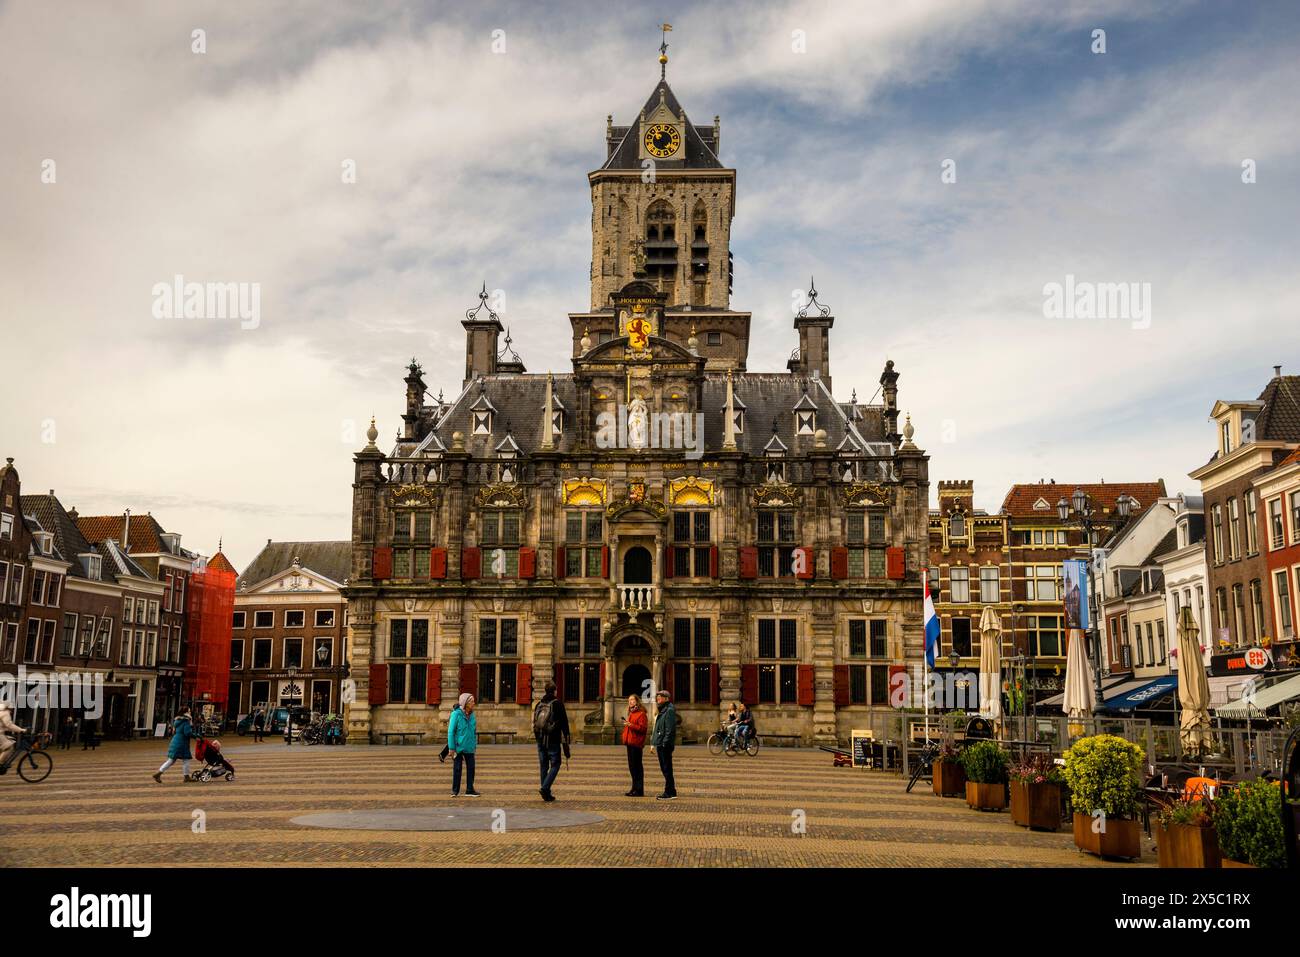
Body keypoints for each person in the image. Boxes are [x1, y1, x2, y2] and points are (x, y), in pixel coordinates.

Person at [533, 680, 571, 802]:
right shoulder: (557, 704)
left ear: (545, 690)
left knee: (543, 765)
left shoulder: (538, 704)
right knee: (556, 764)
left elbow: (535, 722)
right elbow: (564, 723)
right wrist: (567, 737)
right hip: (553, 739)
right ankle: (545, 788)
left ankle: (546, 793)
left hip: (540, 739)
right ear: (555, 691)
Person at [152, 707, 199, 783]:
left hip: (175, 741)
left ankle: (158, 773)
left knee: (171, 760)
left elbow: (175, 731)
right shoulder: (186, 721)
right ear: (186, 712)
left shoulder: (177, 720)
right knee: (186, 759)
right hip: (182, 743)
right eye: (189, 711)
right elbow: (187, 733)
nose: (190, 712)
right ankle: (186, 777)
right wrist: (196, 736)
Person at [447, 693, 479, 797]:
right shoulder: (456, 714)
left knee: (471, 768)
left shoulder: (472, 715)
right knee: (457, 769)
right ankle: (455, 790)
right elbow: (451, 731)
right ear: (465, 703)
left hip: (469, 746)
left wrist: (474, 745)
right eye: (472, 701)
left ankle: (470, 789)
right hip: (458, 746)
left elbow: (474, 731)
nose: (474, 703)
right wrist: (451, 748)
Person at [650, 689, 678, 800]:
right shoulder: (663, 709)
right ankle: (672, 790)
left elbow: (669, 729)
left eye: (660, 697)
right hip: (661, 743)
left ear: (666, 699)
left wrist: (665, 743)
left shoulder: (669, 710)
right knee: (665, 768)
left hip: (664, 744)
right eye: (657, 697)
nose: (658, 699)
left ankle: (669, 792)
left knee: (667, 768)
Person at [622, 694, 648, 797]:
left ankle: (639, 790)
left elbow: (643, 729)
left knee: (637, 767)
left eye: (632, 700)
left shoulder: (641, 714)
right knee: (632, 767)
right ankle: (634, 788)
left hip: (636, 744)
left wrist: (630, 725)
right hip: (630, 743)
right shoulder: (631, 713)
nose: (630, 701)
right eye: (629, 700)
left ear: (637, 701)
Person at [0, 703, 26, 770]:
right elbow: (9, 725)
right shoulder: (5, 713)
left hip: (1, 733)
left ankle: (3, 761)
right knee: (9, 747)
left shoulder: (1, 712)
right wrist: (21, 730)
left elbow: (5, 726)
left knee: (9, 741)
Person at [438, 699, 460, 764]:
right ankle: (443, 755)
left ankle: (454, 756)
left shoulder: (453, 713)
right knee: (451, 745)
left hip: (454, 732)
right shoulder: (455, 714)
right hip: (454, 732)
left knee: (453, 745)